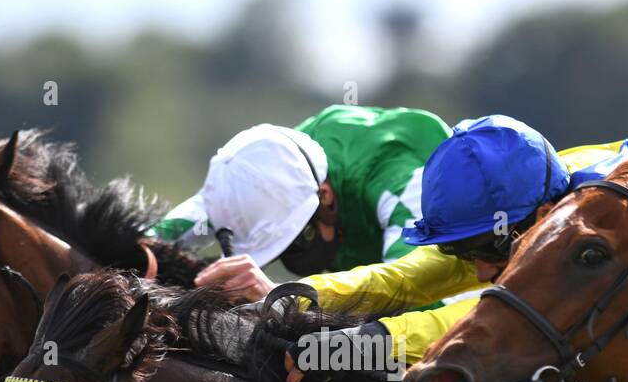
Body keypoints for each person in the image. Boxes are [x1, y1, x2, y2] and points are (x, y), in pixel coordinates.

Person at [270, 115, 628, 382]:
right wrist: (287, 301)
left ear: (545, 216)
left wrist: (351, 347)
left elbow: (490, 322)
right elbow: (404, 278)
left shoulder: (591, 232)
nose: (480, 272)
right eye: (462, 250)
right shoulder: (527, 206)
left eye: (486, 249)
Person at [150, 105, 450, 297]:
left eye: (297, 238)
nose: (292, 257)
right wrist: (143, 246)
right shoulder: (280, 160)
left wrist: (278, 298)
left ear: (325, 196)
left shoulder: (402, 183)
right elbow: (212, 206)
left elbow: (417, 298)